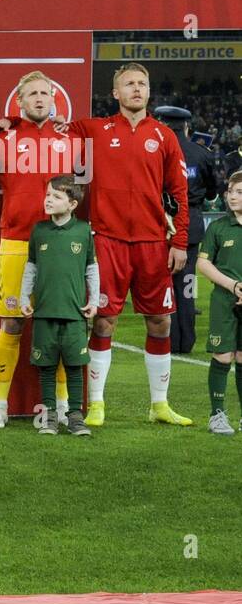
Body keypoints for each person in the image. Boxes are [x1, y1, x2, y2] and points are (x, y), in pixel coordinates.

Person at [55, 64, 191, 427]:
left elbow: (178, 192)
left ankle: (159, 404)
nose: (136, 89)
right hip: (107, 241)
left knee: (160, 321)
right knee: (103, 322)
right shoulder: (94, 129)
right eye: (129, 84)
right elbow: (48, 126)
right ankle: (96, 403)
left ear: (149, 91)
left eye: (142, 83)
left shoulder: (164, 136)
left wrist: (178, 241)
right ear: (115, 93)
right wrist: (8, 120)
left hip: (151, 244)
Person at [0, 71, 78, 427]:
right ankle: (0, 406)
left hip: (61, 244)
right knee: (12, 322)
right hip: (16, 241)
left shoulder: (70, 140)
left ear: (54, 99)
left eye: (45, 93)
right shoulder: (4, 140)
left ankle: (64, 406)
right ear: (20, 101)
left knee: (63, 324)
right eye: (32, 94)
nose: (39, 98)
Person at [19, 176, 99, 436]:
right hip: (44, 312)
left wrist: (94, 300)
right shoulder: (39, 230)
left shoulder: (83, 231)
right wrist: (23, 297)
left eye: (55, 196)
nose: (48, 200)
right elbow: (31, 267)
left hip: (74, 313)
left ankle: (75, 416)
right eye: (47, 195)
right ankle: (49, 416)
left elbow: (92, 268)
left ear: (72, 204)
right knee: (46, 366)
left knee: (75, 366)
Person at [153, 105, 221, 353]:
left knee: (161, 283)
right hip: (190, 223)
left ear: (162, 124)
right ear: (186, 126)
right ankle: (186, 340)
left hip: (159, 222)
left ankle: (164, 340)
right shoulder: (200, 153)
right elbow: (213, 190)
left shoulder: (156, 149)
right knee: (187, 283)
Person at [196, 170, 242, 435]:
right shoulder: (218, 227)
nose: (231, 196)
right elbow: (203, 263)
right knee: (223, 355)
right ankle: (217, 415)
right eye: (230, 192)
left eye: (238, 192)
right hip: (224, 300)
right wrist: (232, 285)